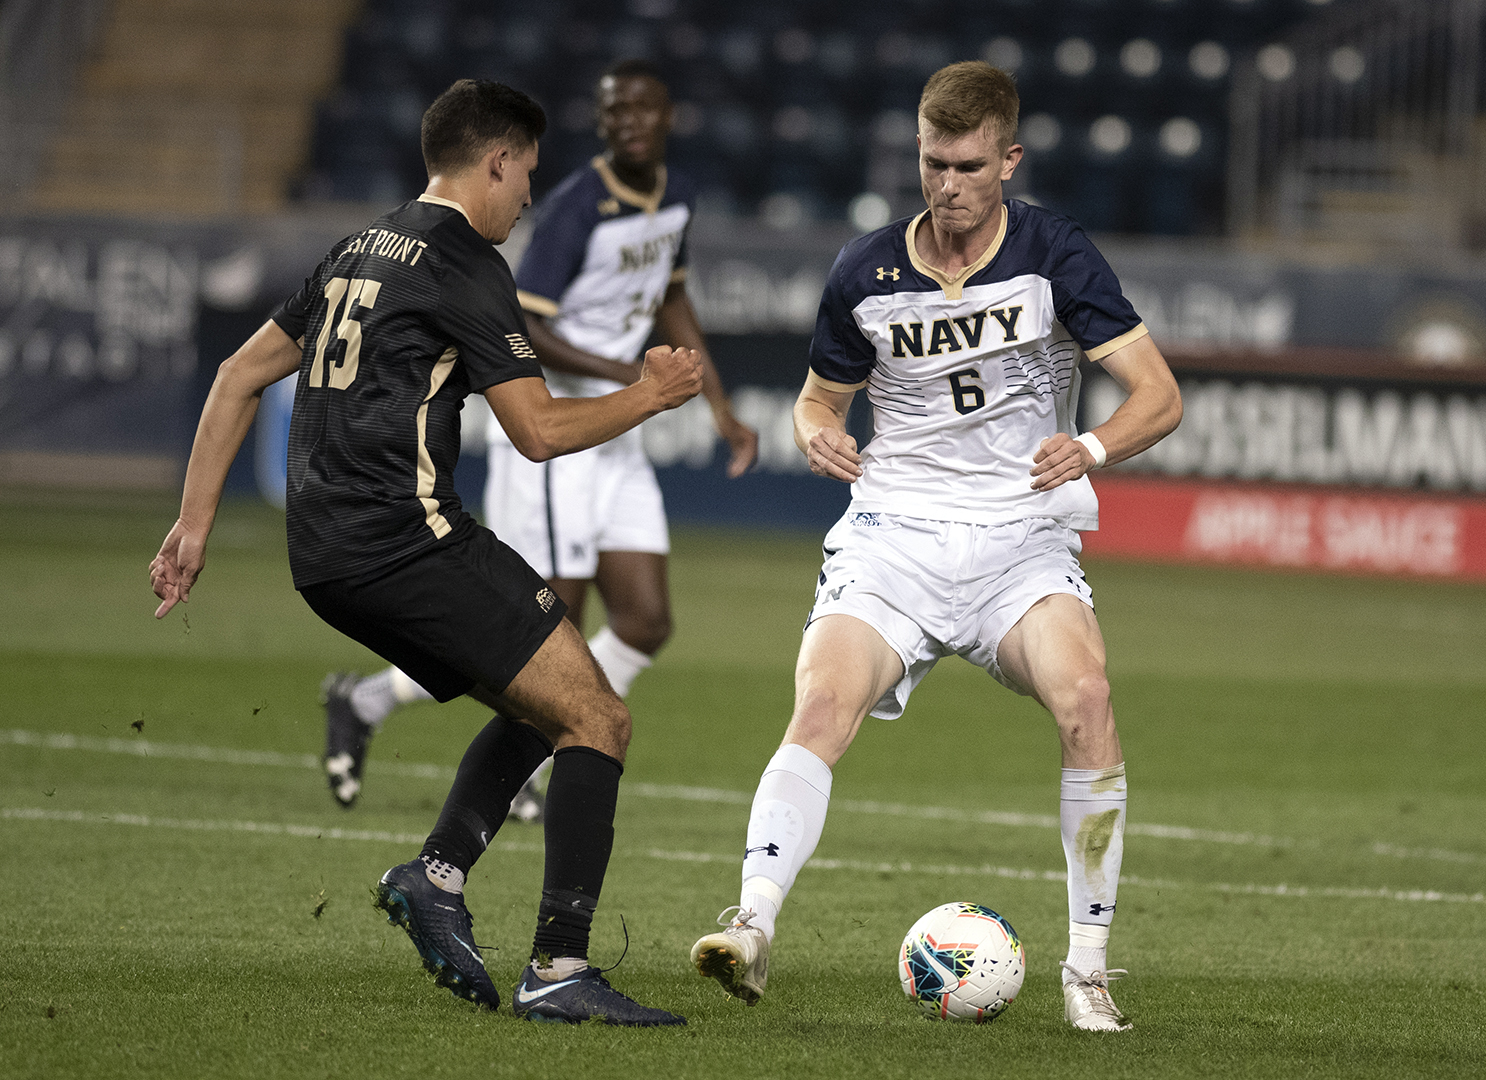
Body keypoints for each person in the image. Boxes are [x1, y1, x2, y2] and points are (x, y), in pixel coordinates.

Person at [148, 78, 701, 1027]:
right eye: (526, 172)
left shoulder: (359, 245)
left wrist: (192, 527)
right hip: (406, 541)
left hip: (322, 555)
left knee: (548, 698)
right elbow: (537, 431)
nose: (529, 194)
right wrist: (650, 396)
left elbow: (238, 374)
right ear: (495, 161)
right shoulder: (465, 262)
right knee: (601, 719)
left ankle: (437, 877)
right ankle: (559, 967)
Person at [687, 61, 1182, 1033]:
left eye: (965, 166)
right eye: (930, 163)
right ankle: (750, 925)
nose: (945, 186)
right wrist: (812, 430)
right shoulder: (864, 270)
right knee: (823, 702)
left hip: (1019, 543)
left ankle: (1087, 970)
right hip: (894, 537)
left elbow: (1159, 397)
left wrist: (1085, 447)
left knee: (1087, 699)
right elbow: (819, 398)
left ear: (1009, 158)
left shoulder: (1053, 256)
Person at [320, 59, 758, 820]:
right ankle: (539, 758)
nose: (625, 123)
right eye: (611, 111)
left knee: (647, 621)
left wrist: (715, 401)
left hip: (621, 428)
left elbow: (673, 296)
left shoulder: (676, 195)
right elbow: (526, 327)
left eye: (640, 110)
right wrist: (629, 373)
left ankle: (367, 700)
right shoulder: (571, 206)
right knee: (554, 630)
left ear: (668, 118)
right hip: (557, 431)